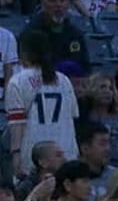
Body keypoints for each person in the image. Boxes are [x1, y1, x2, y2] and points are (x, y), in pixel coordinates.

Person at [7, 32, 80, 177]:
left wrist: (16, 154)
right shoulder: (64, 80)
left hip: (34, 154)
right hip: (66, 152)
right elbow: (73, 116)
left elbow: (17, 125)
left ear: (24, 53)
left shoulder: (17, 81)